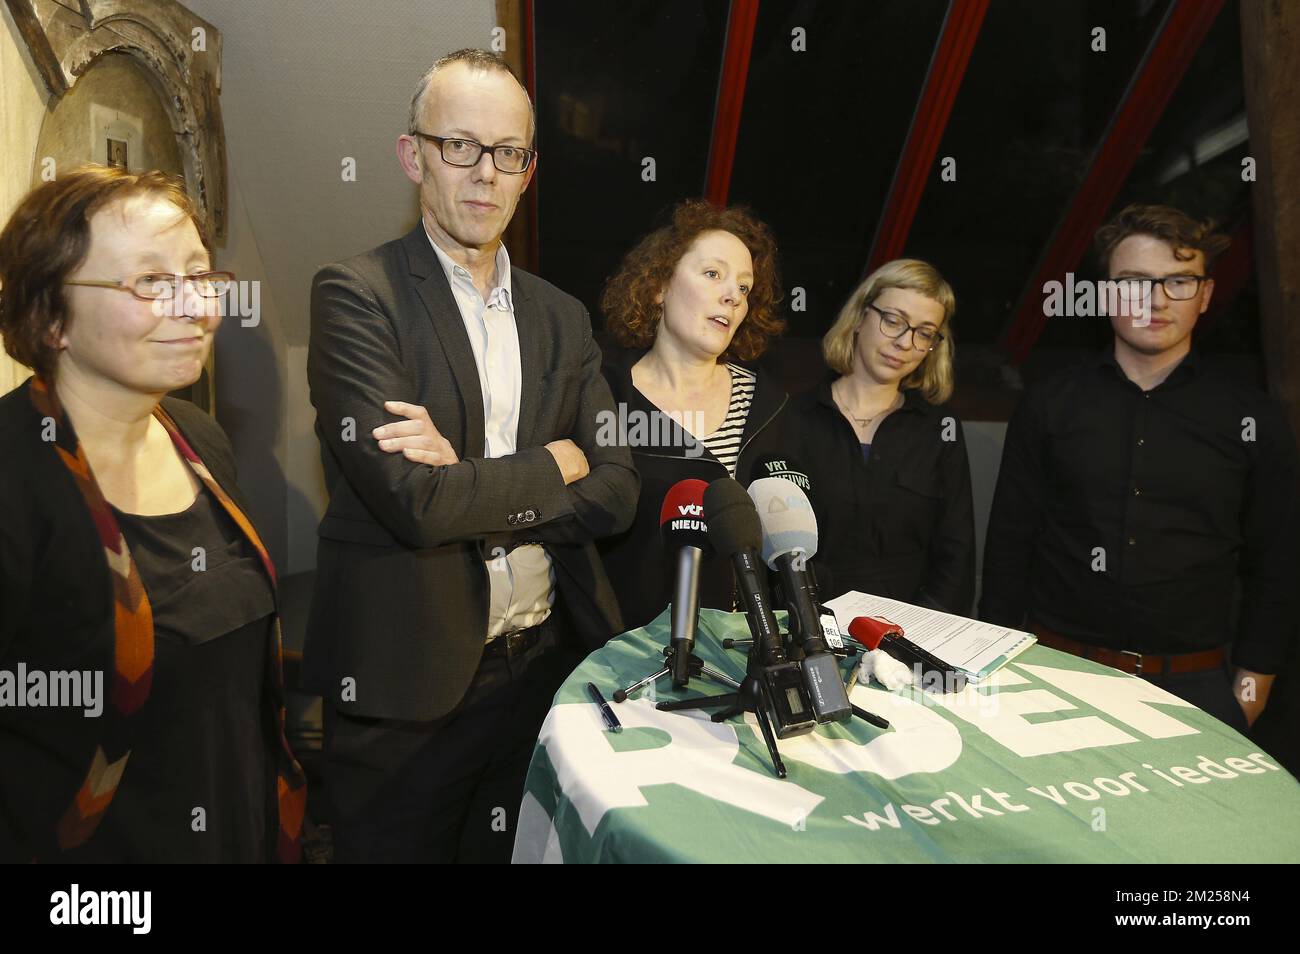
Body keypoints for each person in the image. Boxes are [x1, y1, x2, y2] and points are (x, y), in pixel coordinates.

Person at [304, 49, 638, 863]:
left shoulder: (561, 317)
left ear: (530, 170)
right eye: (460, 146)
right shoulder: (356, 296)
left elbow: (621, 490)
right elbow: (414, 504)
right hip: (407, 691)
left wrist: (465, 479)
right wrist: (558, 463)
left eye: (509, 153)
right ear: (412, 155)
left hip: (543, 673)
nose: (485, 174)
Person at [0, 166, 305, 863]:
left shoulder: (198, 436)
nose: (194, 306)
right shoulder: (14, 481)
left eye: (200, 275)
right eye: (148, 282)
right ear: (51, 317)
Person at [981, 203, 1299, 732]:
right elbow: (1010, 545)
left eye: (1178, 281)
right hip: (1053, 672)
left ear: (1205, 295)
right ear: (1105, 294)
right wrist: (987, 661)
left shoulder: (1253, 417)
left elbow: (1278, 561)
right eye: (1133, 282)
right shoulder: (1050, 404)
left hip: (1197, 690)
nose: (1155, 300)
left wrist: (1254, 683)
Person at [598, 200, 788, 631]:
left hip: (744, 656)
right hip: (633, 657)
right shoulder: (604, 399)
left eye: (744, 287)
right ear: (658, 286)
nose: (732, 297)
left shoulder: (770, 405)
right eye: (712, 274)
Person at [788, 259, 975, 613]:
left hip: (909, 640)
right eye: (893, 321)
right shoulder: (791, 419)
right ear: (859, 317)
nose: (905, 342)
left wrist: (916, 643)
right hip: (806, 631)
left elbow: (956, 556)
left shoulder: (940, 431)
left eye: (924, 332)